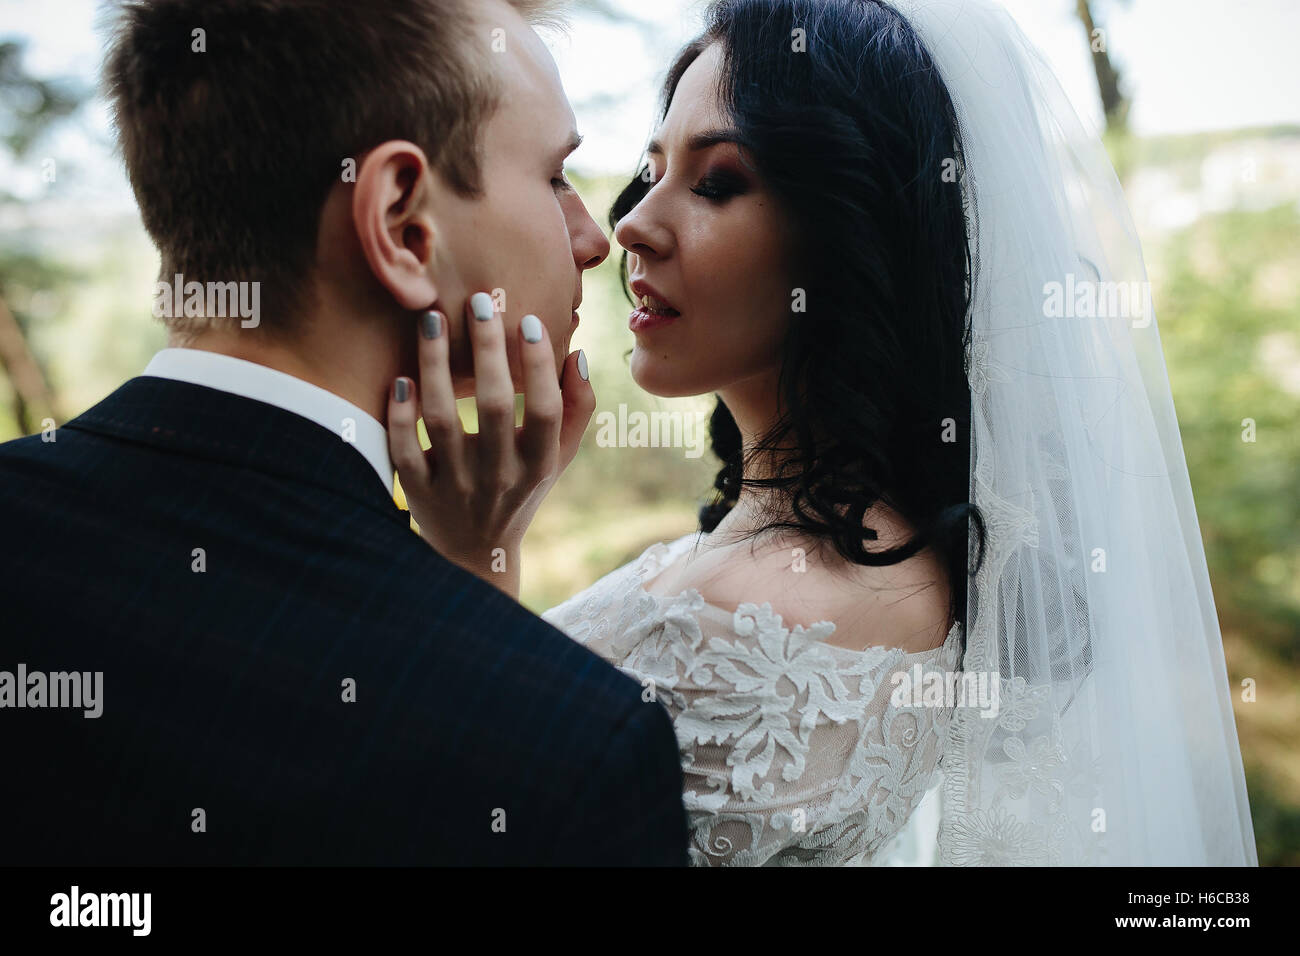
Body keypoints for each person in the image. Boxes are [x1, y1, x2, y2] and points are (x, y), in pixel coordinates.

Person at [393, 0, 1258, 866]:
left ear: (849, 229)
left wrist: (475, 564)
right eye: (652, 171)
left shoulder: (775, 616)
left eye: (717, 182)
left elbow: (458, 833)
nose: (630, 225)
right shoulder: (847, 552)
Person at [0, 0, 688, 865]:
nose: (594, 237)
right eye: (556, 177)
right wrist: (473, 603)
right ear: (402, 223)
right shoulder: (571, 747)